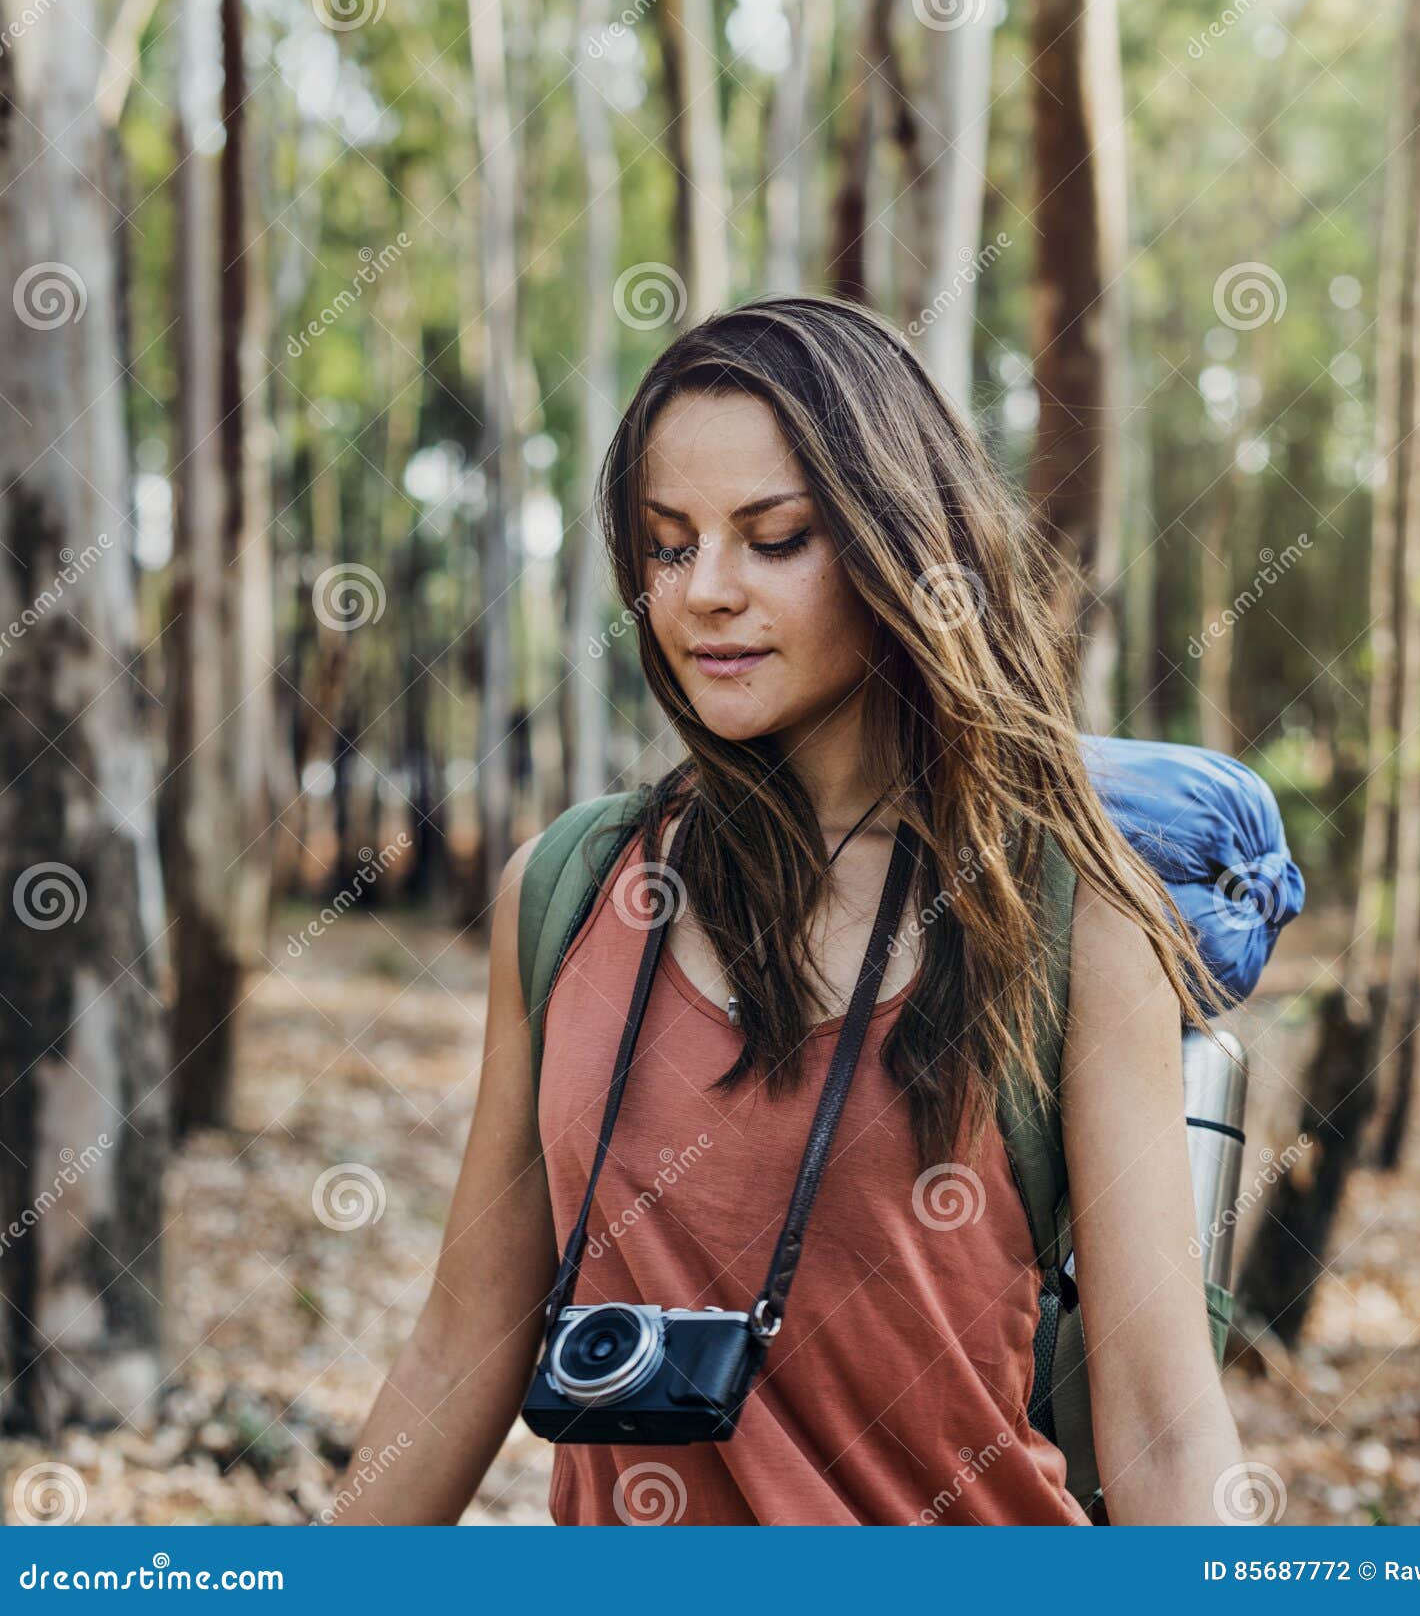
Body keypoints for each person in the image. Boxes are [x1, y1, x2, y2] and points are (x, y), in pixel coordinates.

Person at [331, 294, 1244, 1526]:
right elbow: (458, 1346)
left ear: (895, 549)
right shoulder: (563, 895)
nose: (705, 590)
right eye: (668, 543)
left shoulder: (1066, 916)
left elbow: (1162, 1423)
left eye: (774, 538)